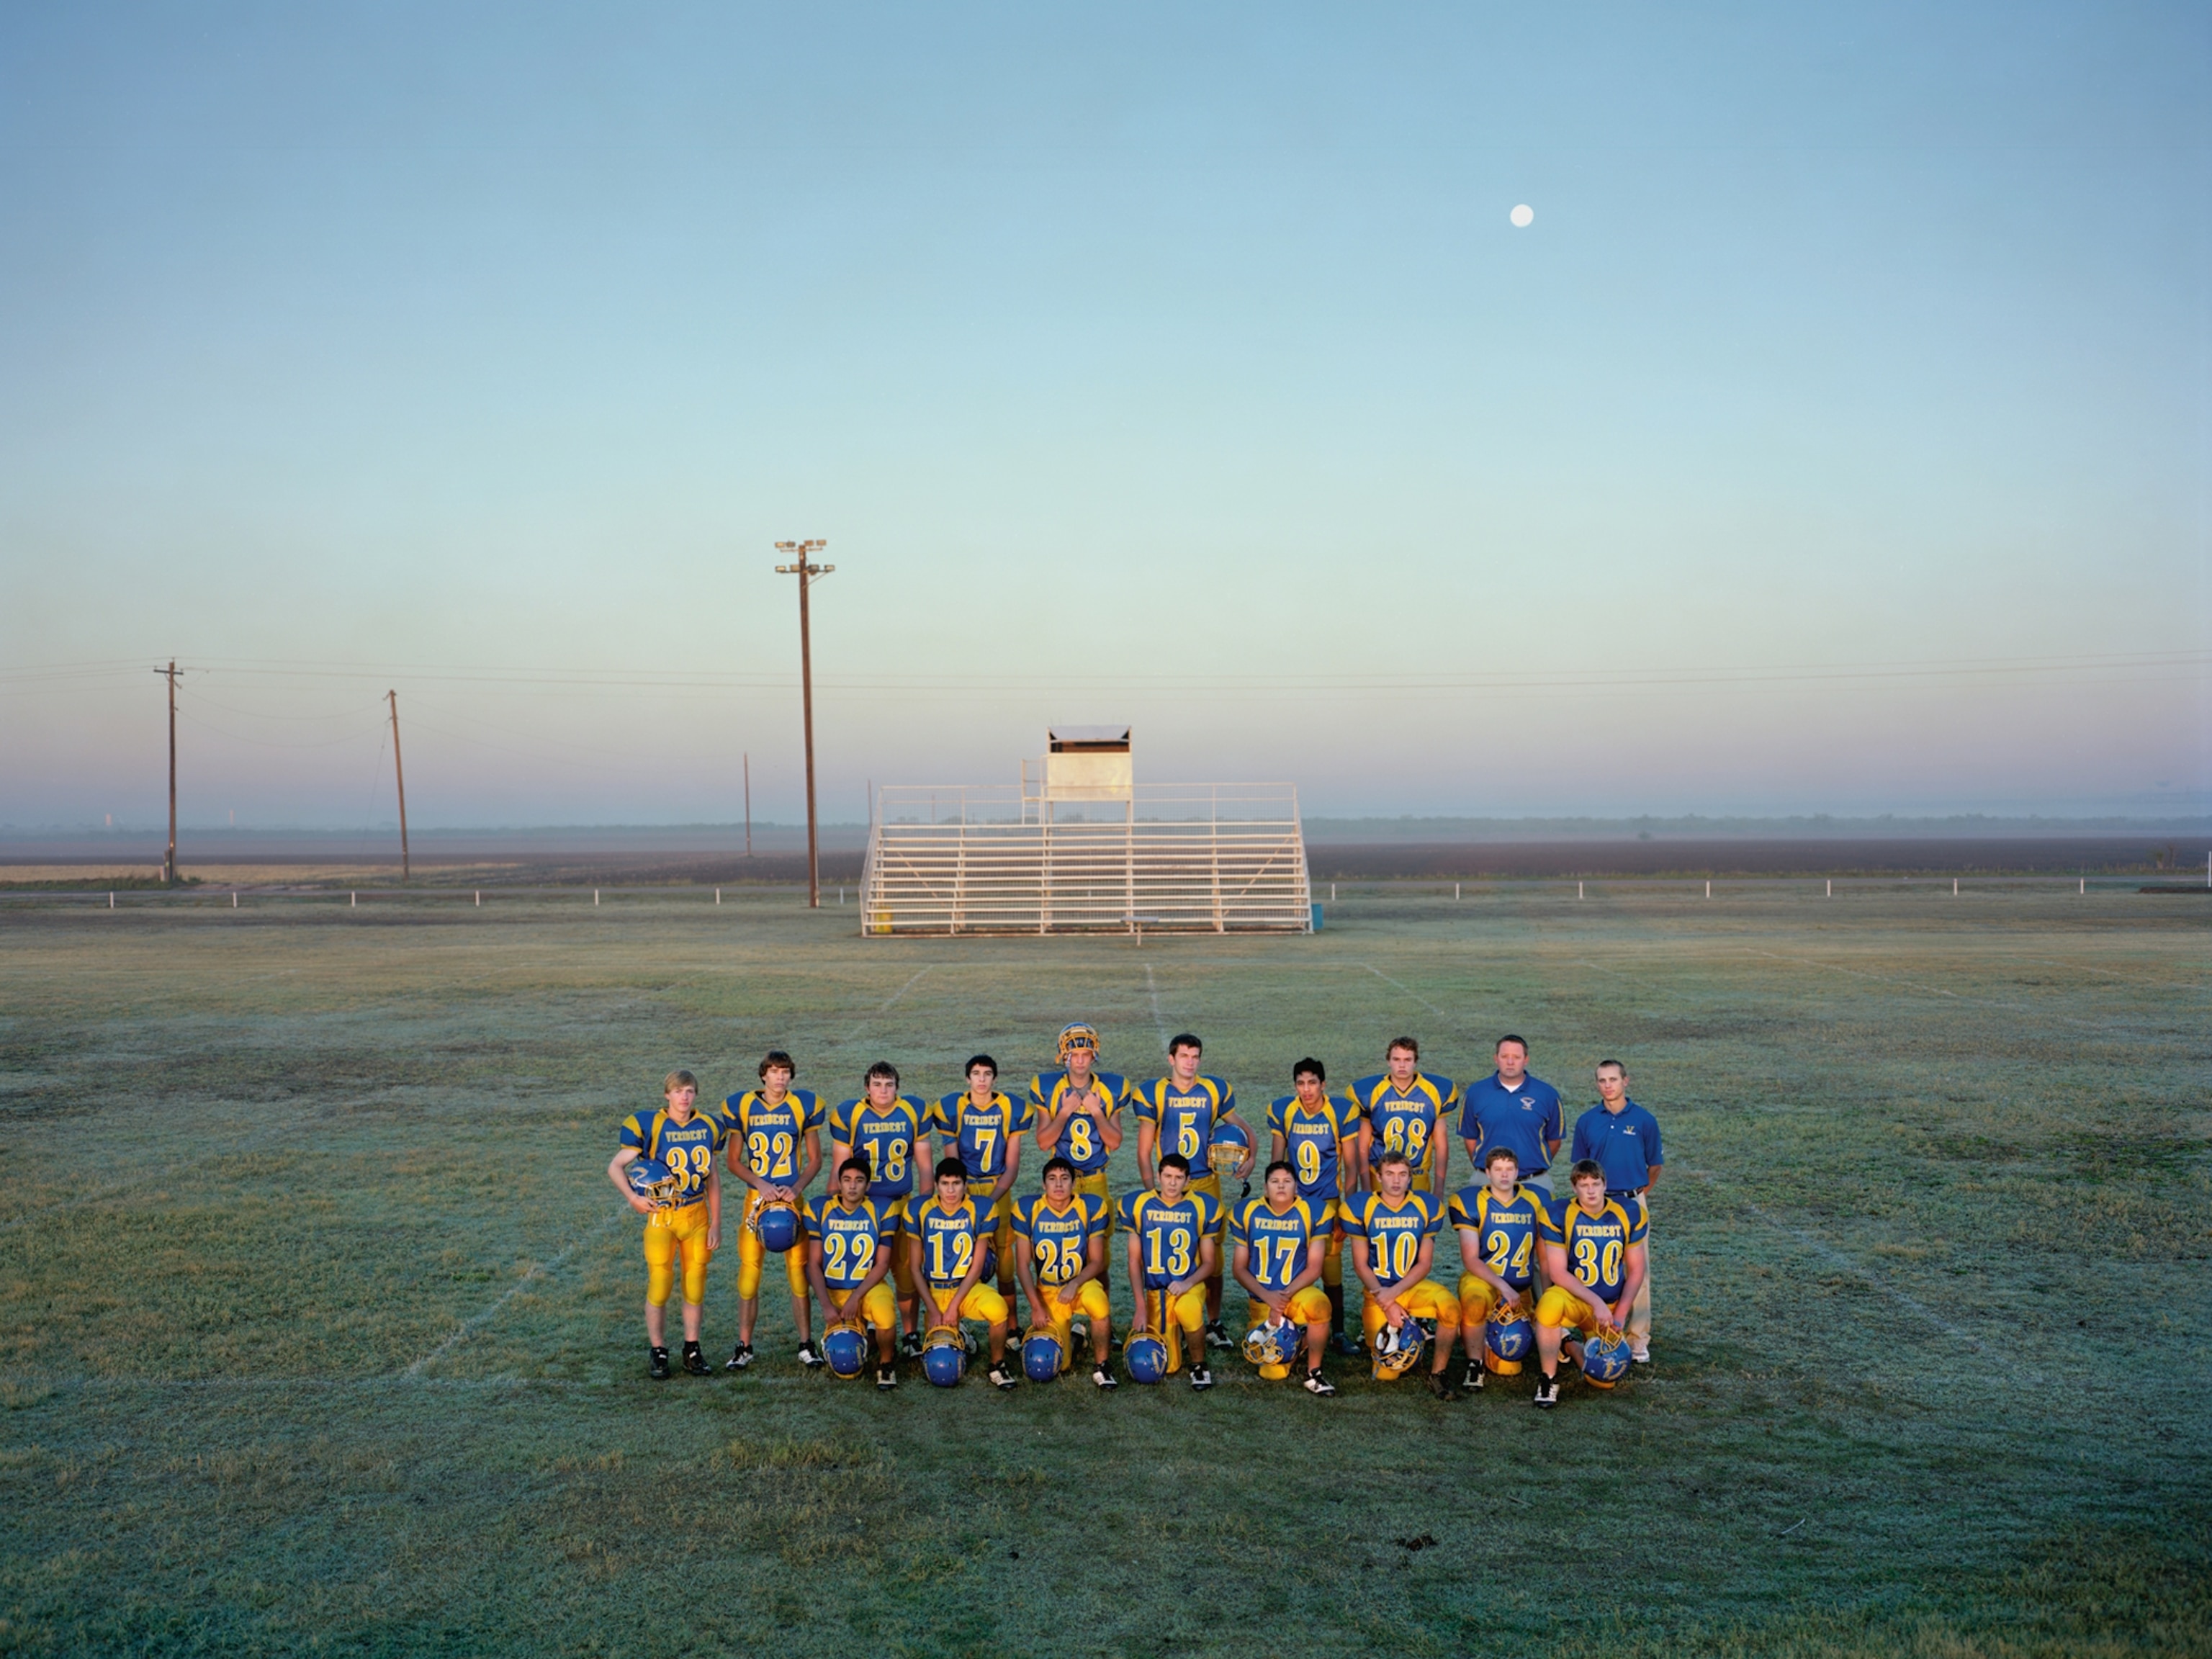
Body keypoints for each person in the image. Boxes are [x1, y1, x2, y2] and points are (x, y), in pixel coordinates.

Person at [1130, 1033, 1248, 1351]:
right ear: (1171, 1059)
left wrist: (1250, 1159)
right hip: (1170, 1186)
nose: (1190, 1062)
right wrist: (1151, 1192)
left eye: (1195, 1057)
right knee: (1170, 1255)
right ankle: (1177, 1320)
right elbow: (1143, 1152)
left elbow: (1244, 1129)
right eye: (1184, 1056)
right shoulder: (1155, 1093)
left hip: (1206, 1182)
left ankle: (1213, 1322)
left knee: (1214, 1259)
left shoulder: (1213, 1090)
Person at [608, 1070, 725, 1380]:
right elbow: (616, 1166)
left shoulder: (709, 1126)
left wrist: (717, 1222)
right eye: (678, 1091)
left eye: (689, 1091)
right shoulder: (651, 1124)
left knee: (695, 1286)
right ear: (667, 1095)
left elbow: (713, 1177)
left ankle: (692, 1349)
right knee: (660, 1285)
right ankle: (658, 1351)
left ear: (696, 1094)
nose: (684, 1097)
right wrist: (633, 1198)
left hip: (697, 1215)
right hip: (663, 1217)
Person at [721, 1050, 824, 1372]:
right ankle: (744, 1346)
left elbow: (815, 1160)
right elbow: (733, 1161)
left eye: (785, 1072)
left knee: (799, 1274)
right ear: (763, 1074)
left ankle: (806, 1344)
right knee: (749, 1274)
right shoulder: (743, 1106)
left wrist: (797, 1188)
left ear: (791, 1075)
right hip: (757, 1201)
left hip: (792, 1200)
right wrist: (760, 1183)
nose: (780, 1077)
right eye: (774, 1071)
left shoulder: (803, 1105)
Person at [831, 1063, 935, 1358]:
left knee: (906, 1273)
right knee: (860, 1269)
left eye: (889, 1084)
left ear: (897, 1087)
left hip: (901, 1203)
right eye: (877, 1084)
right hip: (864, 1208)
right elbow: (841, 1169)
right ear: (867, 1088)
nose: (883, 1091)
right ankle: (864, 1329)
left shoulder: (913, 1111)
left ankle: (910, 1335)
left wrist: (924, 1207)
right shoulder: (851, 1114)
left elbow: (925, 1167)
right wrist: (836, 1207)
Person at [1341, 1151, 1462, 1398]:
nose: (1396, 1180)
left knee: (1450, 1308)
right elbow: (1360, 1265)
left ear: (1410, 1177)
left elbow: (1424, 1264)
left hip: (1411, 1287)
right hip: (1377, 1291)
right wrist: (1386, 1302)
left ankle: (1437, 1373)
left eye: (1402, 1174)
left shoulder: (1425, 1207)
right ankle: (1410, 1338)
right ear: (1378, 1176)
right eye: (1389, 1174)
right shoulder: (1362, 1208)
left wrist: (1392, 1296)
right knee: (1387, 1373)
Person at [1532, 1158, 1648, 1408]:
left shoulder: (1628, 1213)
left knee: (1602, 1378)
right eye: (1584, 1185)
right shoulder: (1559, 1214)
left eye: (1595, 1184)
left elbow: (1637, 1270)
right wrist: (1596, 1303)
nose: (1591, 1191)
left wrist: (1620, 1315)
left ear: (1605, 1185)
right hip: (1575, 1299)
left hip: (1610, 1307)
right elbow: (1558, 1273)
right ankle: (1548, 1379)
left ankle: (1568, 1344)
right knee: (1548, 1306)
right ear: (1574, 1188)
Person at [1568, 1060, 1663, 1363]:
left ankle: (1638, 1338)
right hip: (1596, 1204)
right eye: (1602, 1080)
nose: (1608, 1086)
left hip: (1631, 1203)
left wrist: (1637, 1196)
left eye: (1613, 1079)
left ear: (1626, 1081)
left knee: (1639, 1271)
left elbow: (1655, 1165)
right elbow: (1582, 1168)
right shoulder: (1587, 1121)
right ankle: (1596, 1331)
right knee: (1595, 1268)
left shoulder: (1644, 1120)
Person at [1267, 1058, 1364, 1355]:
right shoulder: (1285, 1110)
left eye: (1312, 1083)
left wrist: (1347, 1212)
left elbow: (1351, 1165)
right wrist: (1274, 1203)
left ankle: (1338, 1332)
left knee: (1331, 1270)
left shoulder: (1340, 1112)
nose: (1306, 1089)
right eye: (1300, 1083)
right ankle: (1292, 1326)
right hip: (1294, 1204)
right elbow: (1276, 1164)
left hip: (1328, 1202)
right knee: (1292, 1265)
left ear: (1323, 1084)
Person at [904, 1157, 1017, 1388]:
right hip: (935, 1291)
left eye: (956, 1183)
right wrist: (933, 1309)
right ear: (936, 1185)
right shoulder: (920, 1210)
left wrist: (954, 1305)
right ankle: (962, 1336)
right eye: (945, 1184)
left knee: (998, 1309)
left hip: (967, 1288)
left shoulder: (980, 1209)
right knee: (941, 1365)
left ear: (966, 1185)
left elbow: (977, 1267)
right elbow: (915, 1268)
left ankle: (997, 1365)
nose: (950, 1190)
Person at [1228, 1161, 1336, 1395]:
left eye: (1287, 1181)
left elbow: (1314, 1268)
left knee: (1320, 1306)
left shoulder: (1313, 1212)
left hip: (1296, 1294)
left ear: (1296, 1187)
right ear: (1265, 1187)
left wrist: (1281, 1300)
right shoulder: (1247, 1212)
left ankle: (1314, 1373)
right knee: (1273, 1373)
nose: (1281, 1186)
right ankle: (1298, 1337)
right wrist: (1269, 1298)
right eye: (1275, 1181)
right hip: (1262, 1299)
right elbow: (1239, 1269)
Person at [933, 1054, 1029, 1308]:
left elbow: (1012, 1168)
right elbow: (952, 1167)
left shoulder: (1010, 1108)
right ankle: (959, 1316)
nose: (982, 1079)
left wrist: (990, 1201)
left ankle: (1011, 1324)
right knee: (961, 1257)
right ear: (968, 1079)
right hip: (963, 1191)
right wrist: (964, 1197)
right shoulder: (952, 1109)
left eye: (987, 1074)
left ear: (995, 1079)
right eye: (976, 1074)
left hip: (998, 1189)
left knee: (1005, 1264)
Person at [1010, 1156, 1115, 1388]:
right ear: (1043, 1184)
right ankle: (1077, 1338)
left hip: (1080, 1284)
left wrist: (1075, 1284)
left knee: (1099, 1304)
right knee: (1058, 1364)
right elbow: (1022, 1266)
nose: (1058, 1184)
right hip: (1049, 1291)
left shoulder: (1090, 1207)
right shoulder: (1029, 1209)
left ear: (1074, 1183)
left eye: (1065, 1178)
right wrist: (1036, 1306)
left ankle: (1102, 1366)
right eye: (1052, 1179)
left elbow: (1097, 1262)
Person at [1118, 1154, 1220, 1389]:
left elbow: (1209, 1263)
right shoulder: (1139, 1205)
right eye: (1168, 1176)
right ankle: (1180, 1334)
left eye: (1179, 1177)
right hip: (1157, 1293)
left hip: (1188, 1287)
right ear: (1158, 1176)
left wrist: (1187, 1283)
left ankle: (1199, 1365)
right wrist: (1141, 1307)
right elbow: (1134, 1261)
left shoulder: (1202, 1207)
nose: (1172, 1183)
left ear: (1188, 1180)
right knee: (1169, 1366)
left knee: (1188, 1309)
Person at [1449, 1146, 1546, 1391]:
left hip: (1519, 1289)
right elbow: (1471, 1259)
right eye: (1498, 1169)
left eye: (1509, 1169)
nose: (1504, 1175)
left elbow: (1544, 1258)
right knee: (1474, 1303)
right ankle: (1474, 1364)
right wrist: (1503, 1287)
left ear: (1517, 1172)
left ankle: (1483, 1338)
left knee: (1508, 1368)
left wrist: (1545, 1296)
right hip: (1482, 1281)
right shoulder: (1472, 1202)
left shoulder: (1536, 1201)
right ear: (1487, 1172)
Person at [804, 1156, 902, 1390]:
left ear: (868, 1185)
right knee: (845, 1357)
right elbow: (813, 1264)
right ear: (839, 1183)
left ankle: (886, 1363)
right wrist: (826, 1305)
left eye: (859, 1180)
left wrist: (856, 1297)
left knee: (886, 1315)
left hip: (868, 1287)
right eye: (847, 1180)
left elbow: (882, 1264)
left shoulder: (882, 1209)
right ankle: (869, 1334)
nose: (852, 1186)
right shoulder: (820, 1209)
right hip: (834, 1290)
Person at [1028, 1023, 1126, 1242]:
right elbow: (1043, 1143)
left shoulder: (1111, 1089)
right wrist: (1064, 1112)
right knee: (1063, 1243)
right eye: (1074, 1054)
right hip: (1061, 1180)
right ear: (1064, 1056)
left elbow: (1115, 1142)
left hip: (1096, 1178)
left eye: (1085, 1054)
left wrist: (1096, 1112)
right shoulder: (1048, 1088)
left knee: (1100, 1248)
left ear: (1094, 1056)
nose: (1080, 1060)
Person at [1347, 1038, 1457, 1197]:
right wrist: (1365, 1187)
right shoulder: (1371, 1092)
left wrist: (1439, 1189)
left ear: (1415, 1062)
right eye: (1396, 1059)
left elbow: (1442, 1146)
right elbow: (1363, 1146)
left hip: (1417, 1172)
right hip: (1381, 1174)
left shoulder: (1435, 1092)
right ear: (1388, 1061)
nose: (1402, 1065)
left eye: (1408, 1060)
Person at [1457, 1035, 1565, 1194]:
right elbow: (1470, 1137)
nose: (1510, 1062)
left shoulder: (1547, 1094)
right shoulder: (1476, 1093)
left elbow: (1555, 1140)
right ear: (1496, 1058)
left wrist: (1533, 1164)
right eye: (1504, 1056)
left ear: (1526, 1060)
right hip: (1486, 1181)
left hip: (1534, 1182)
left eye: (1516, 1057)